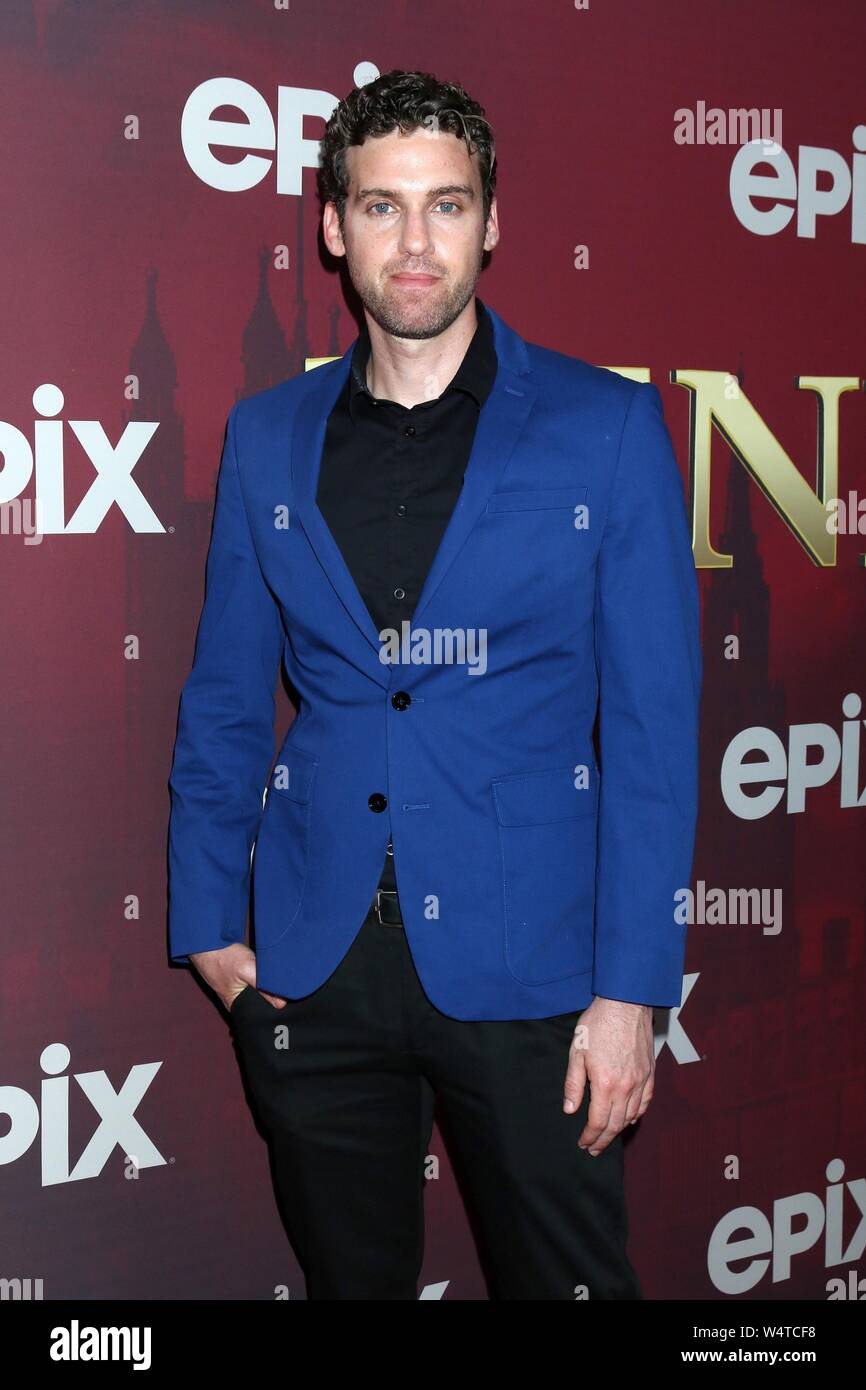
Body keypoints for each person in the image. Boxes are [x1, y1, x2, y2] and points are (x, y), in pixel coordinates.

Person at [167, 68, 702, 1301]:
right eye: (383, 206)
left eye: (446, 205)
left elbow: (652, 736)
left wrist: (631, 991)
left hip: (535, 970)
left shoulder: (603, 428)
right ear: (332, 226)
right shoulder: (267, 436)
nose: (415, 243)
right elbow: (227, 699)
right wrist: (210, 928)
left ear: (492, 222)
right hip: (313, 960)